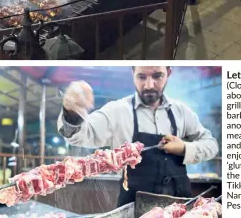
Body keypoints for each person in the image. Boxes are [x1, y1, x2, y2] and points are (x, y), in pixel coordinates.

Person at [58, 66, 219, 206]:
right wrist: (72, 111)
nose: (149, 85)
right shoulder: (118, 111)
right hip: (134, 206)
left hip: (179, 204)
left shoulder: (182, 112)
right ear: (133, 74)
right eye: (142, 77)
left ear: (168, 73)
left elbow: (211, 145)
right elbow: (78, 135)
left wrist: (184, 148)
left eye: (157, 76)